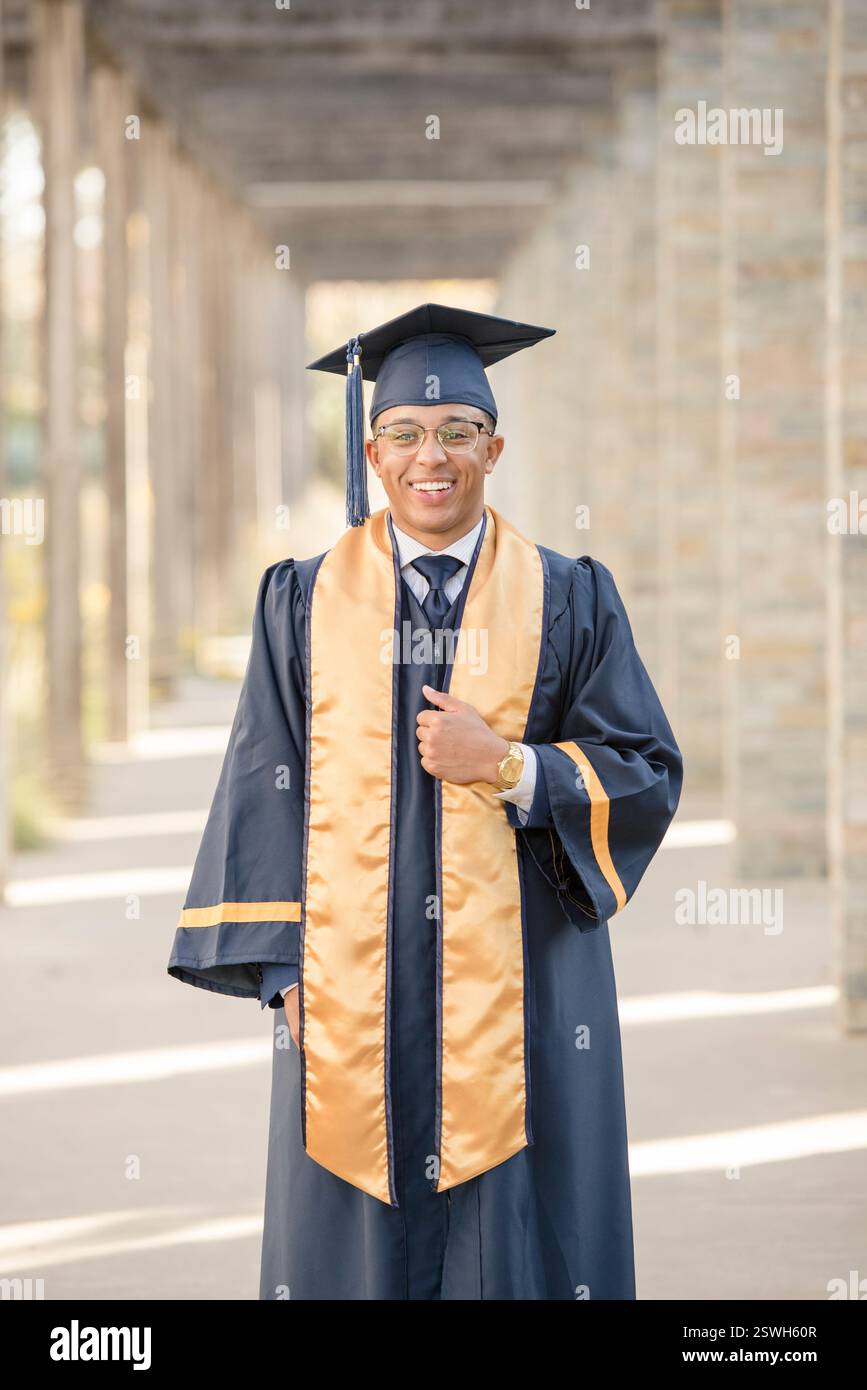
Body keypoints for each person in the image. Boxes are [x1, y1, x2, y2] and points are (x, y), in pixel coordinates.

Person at [167, 303, 683, 1300]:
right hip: (353, 992)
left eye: (456, 433)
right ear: (372, 448)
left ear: (494, 448)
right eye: (404, 433)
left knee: (526, 1245)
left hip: (528, 988)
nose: (430, 456)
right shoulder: (304, 602)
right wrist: (283, 974)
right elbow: (258, 785)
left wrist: (513, 764)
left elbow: (644, 765)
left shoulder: (571, 597)